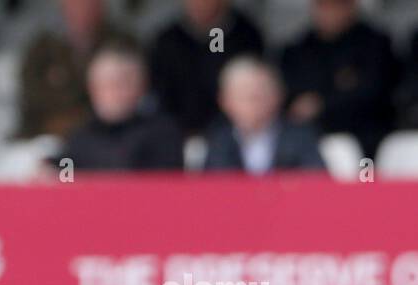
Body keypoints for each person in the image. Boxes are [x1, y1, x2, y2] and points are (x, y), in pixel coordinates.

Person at [279, 0, 398, 157]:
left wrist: (322, 104)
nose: (328, 12)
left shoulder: (374, 44)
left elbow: (372, 92)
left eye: (335, 6)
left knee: (366, 172)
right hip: (309, 136)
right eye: (323, 6)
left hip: (364, 137)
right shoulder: (299, 48)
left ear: (351, 7)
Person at [16, 0, 136, 139]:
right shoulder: (43, 48)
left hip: (109, 137)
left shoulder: (121, 43)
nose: (82, 9)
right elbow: (33, 97)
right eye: (75, 3)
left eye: (88, 3)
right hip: (45, 135)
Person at [62, 42, 185, 171]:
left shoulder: (163, 134)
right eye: (104, 84)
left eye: (121, 84)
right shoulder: (80, 137)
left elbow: (163, 185)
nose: (113, 93)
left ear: (141, 86)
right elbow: (65, 174)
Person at [149, 0, 264, 135]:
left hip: (231, 133)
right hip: (177, 131)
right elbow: (159, 94)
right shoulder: (169, 40)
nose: (201, 4)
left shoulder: (244, 36)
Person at [203, 57, 326, 173]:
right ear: (224, 101)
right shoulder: (218, 140)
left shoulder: (301, 137)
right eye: (243, 94)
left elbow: (315, 184)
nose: (253, 101)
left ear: (279, 95)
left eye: (260, 93)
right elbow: (209, 188)